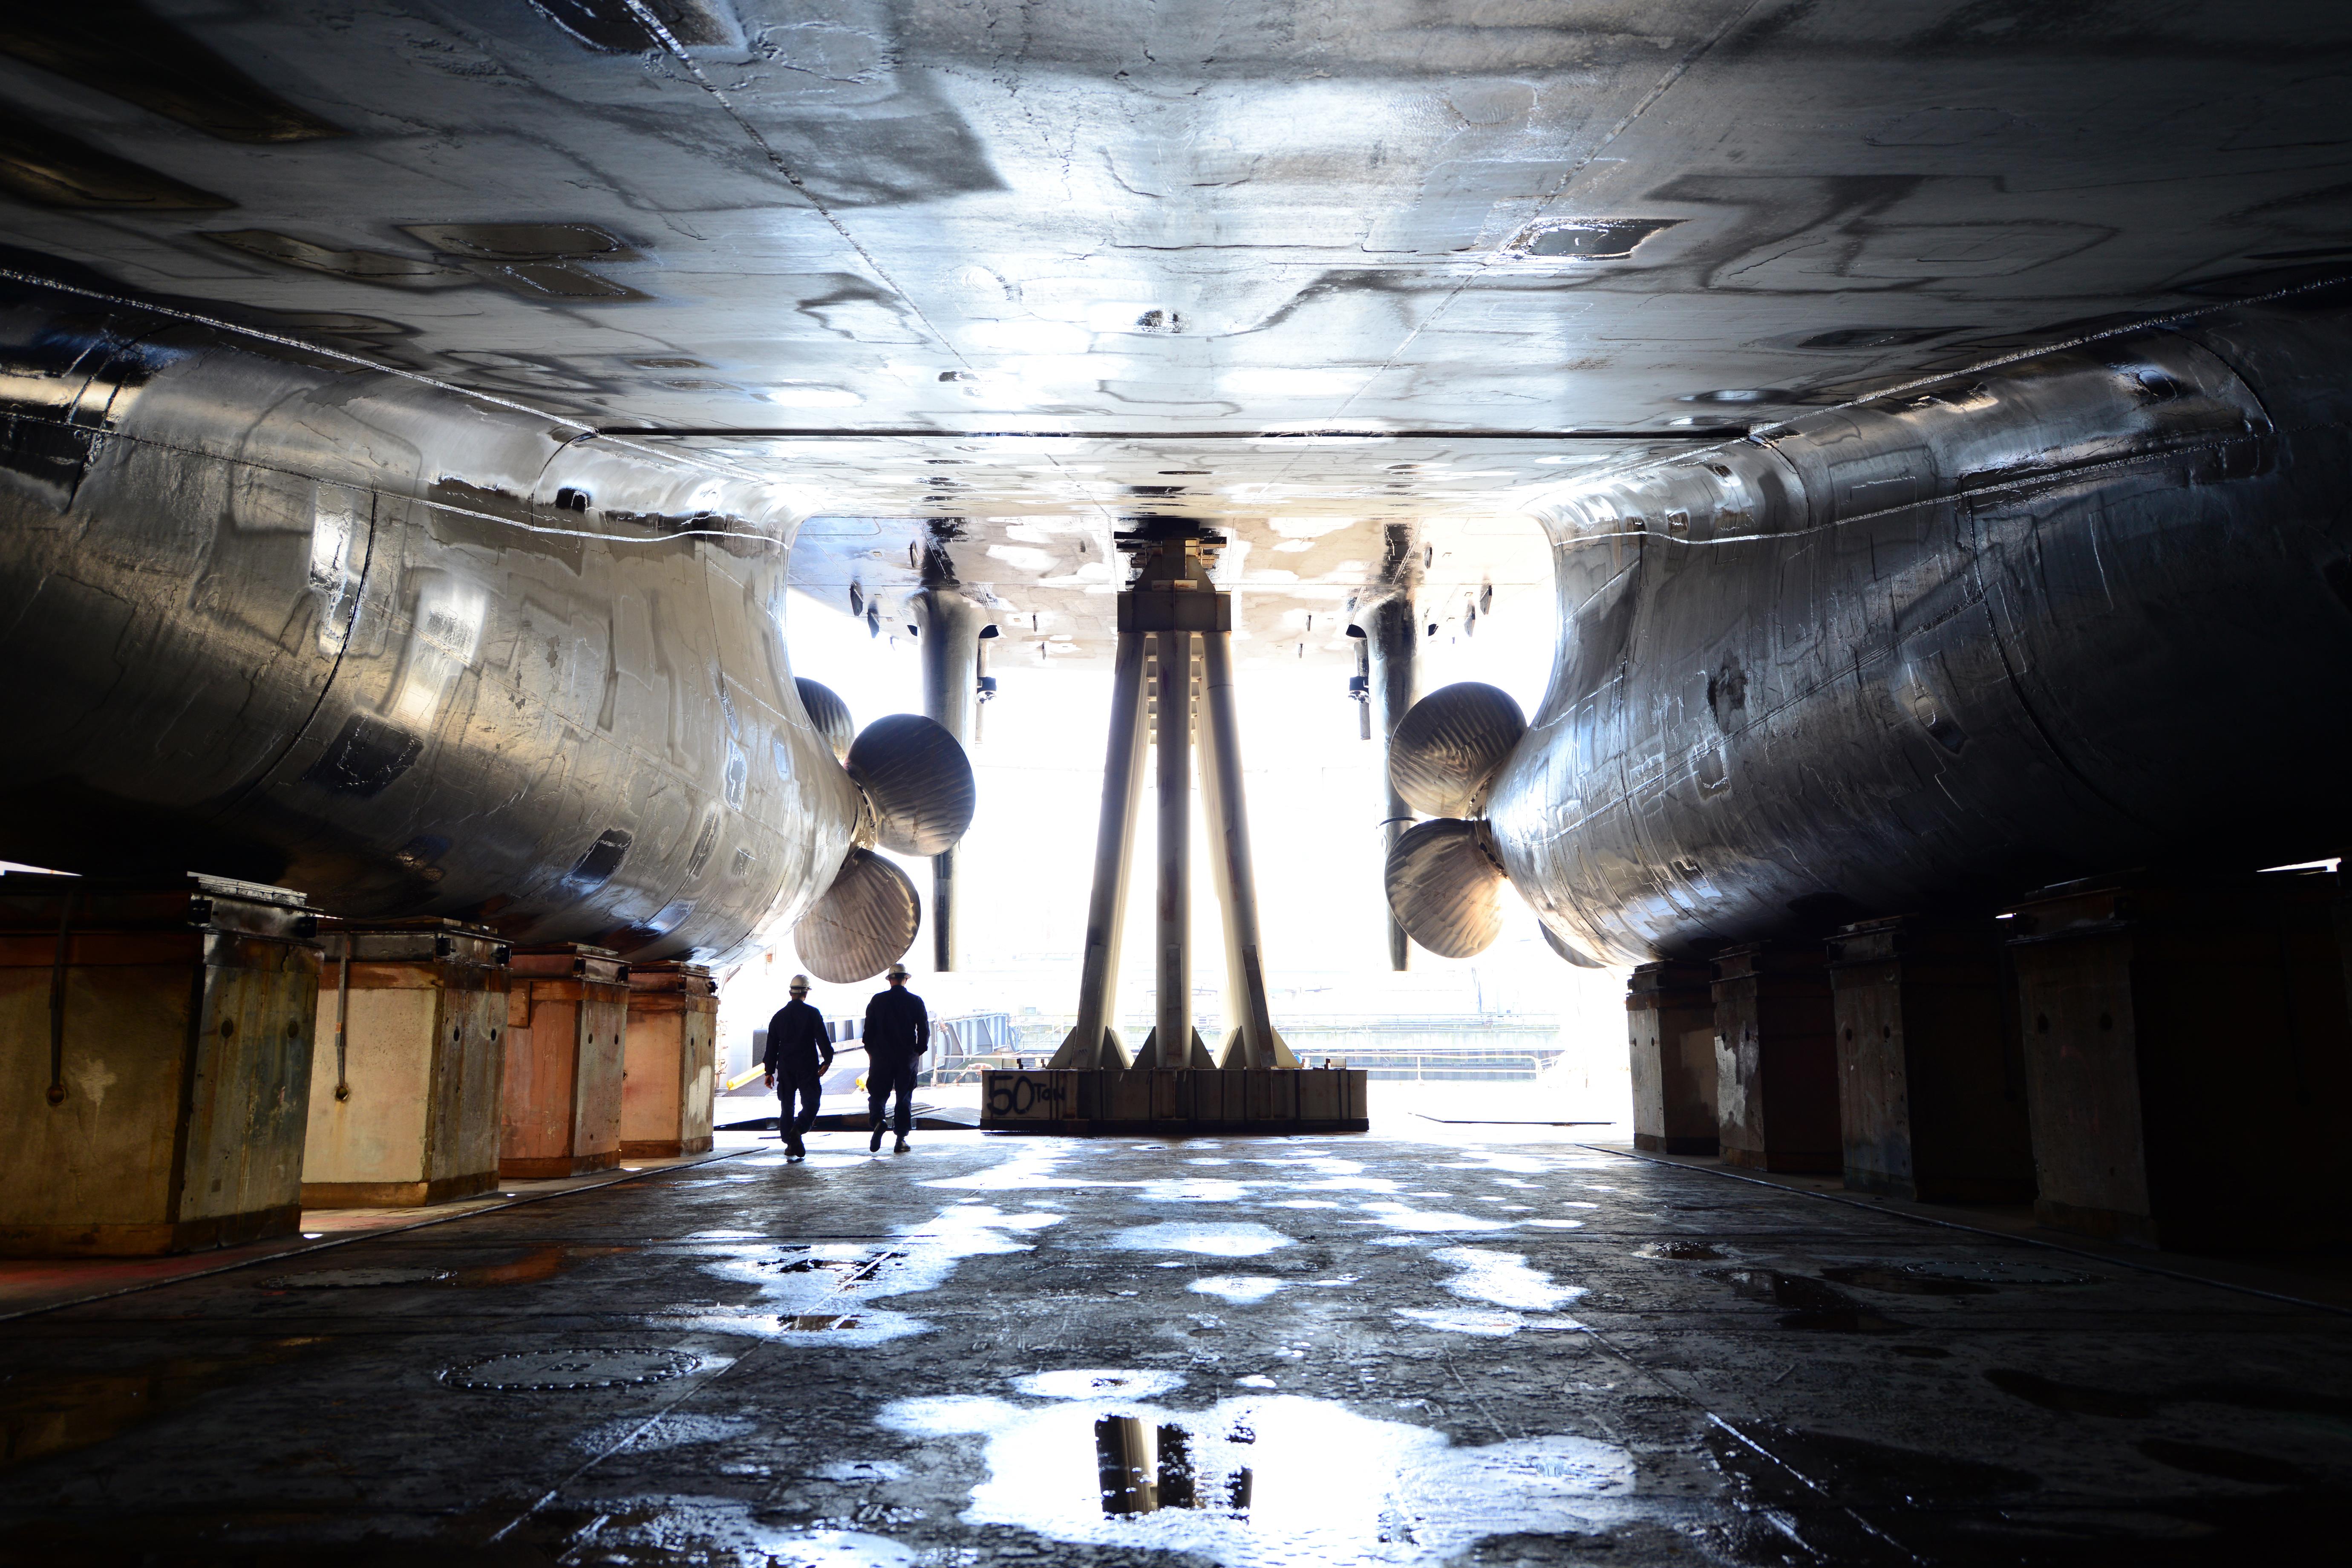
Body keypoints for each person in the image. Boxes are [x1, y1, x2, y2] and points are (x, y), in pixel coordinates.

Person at [762, 974, 833, 1162]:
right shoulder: (812, 1013)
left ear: (790, 993)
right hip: (807, 1067)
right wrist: (827, 1060)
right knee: (812, 1103)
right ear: (806, 993)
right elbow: (822, 1039)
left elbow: (771, 1046)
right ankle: (798, 1129)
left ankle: (790, 1143)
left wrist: (769, 1072)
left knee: (787, 1107)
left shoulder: (779, 1017)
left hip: (786, 1068)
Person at [861, 961, 929, 1153]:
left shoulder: (877, 1000)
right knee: (904, 1096)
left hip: (881, 1057)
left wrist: (873, 1053)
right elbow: (924, 1030)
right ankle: (900, 1140)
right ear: (906, 979)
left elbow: (868, 1033)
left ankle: (878, 1120)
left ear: (890, 980)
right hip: (905, 1057)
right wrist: (917, 1051)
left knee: (878, 1093)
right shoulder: (916, 1001)